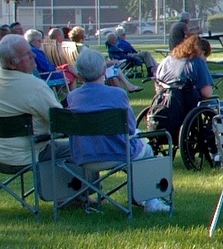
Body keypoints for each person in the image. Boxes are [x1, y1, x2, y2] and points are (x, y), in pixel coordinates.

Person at [64, 49, 167, 213]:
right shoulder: (117, 94)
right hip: (118, 154)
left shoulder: (73, 97)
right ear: (104, 71)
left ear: (80, 74)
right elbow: (131, 128)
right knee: (145, 147)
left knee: (137, 144)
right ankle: (151, 202)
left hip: (84, 156)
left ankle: (143, 197)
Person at [0, 36, 64, 170]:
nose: (33, 55)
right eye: (27, 54)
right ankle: (82, 190)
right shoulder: (34, 87)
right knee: (82, 149)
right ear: (11, 63)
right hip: (26, 157)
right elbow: (61, 122)